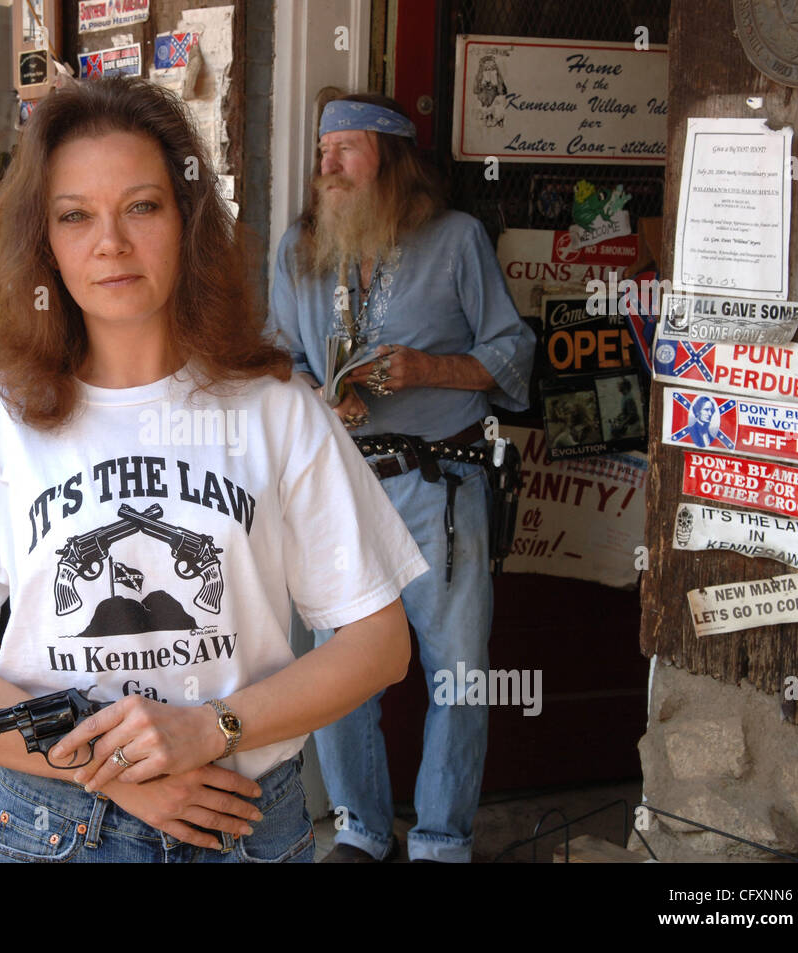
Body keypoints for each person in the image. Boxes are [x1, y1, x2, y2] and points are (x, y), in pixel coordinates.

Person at [0, 77, 429, 864]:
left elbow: (379, 641)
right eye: (75, 215)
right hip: (51, 825)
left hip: (242, 817)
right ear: (44, 241)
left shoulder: (276, 409)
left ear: (187, 221)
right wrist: (106, 768)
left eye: (142, 206)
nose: (110, 243)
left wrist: (211, 726)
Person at [269, 93, 535, 863]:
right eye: (323, 152)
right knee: (339, 668)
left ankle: (444, 839)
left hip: (439, 485)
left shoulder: (456, 241)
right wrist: (321, 398)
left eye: (345, 149)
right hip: (343, 491)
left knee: (458, 671)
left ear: (390, 158)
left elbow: (512, 352)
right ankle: (358, 826)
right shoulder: (298, 250)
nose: (328, 166)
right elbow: (278, 359)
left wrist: (428, 368)